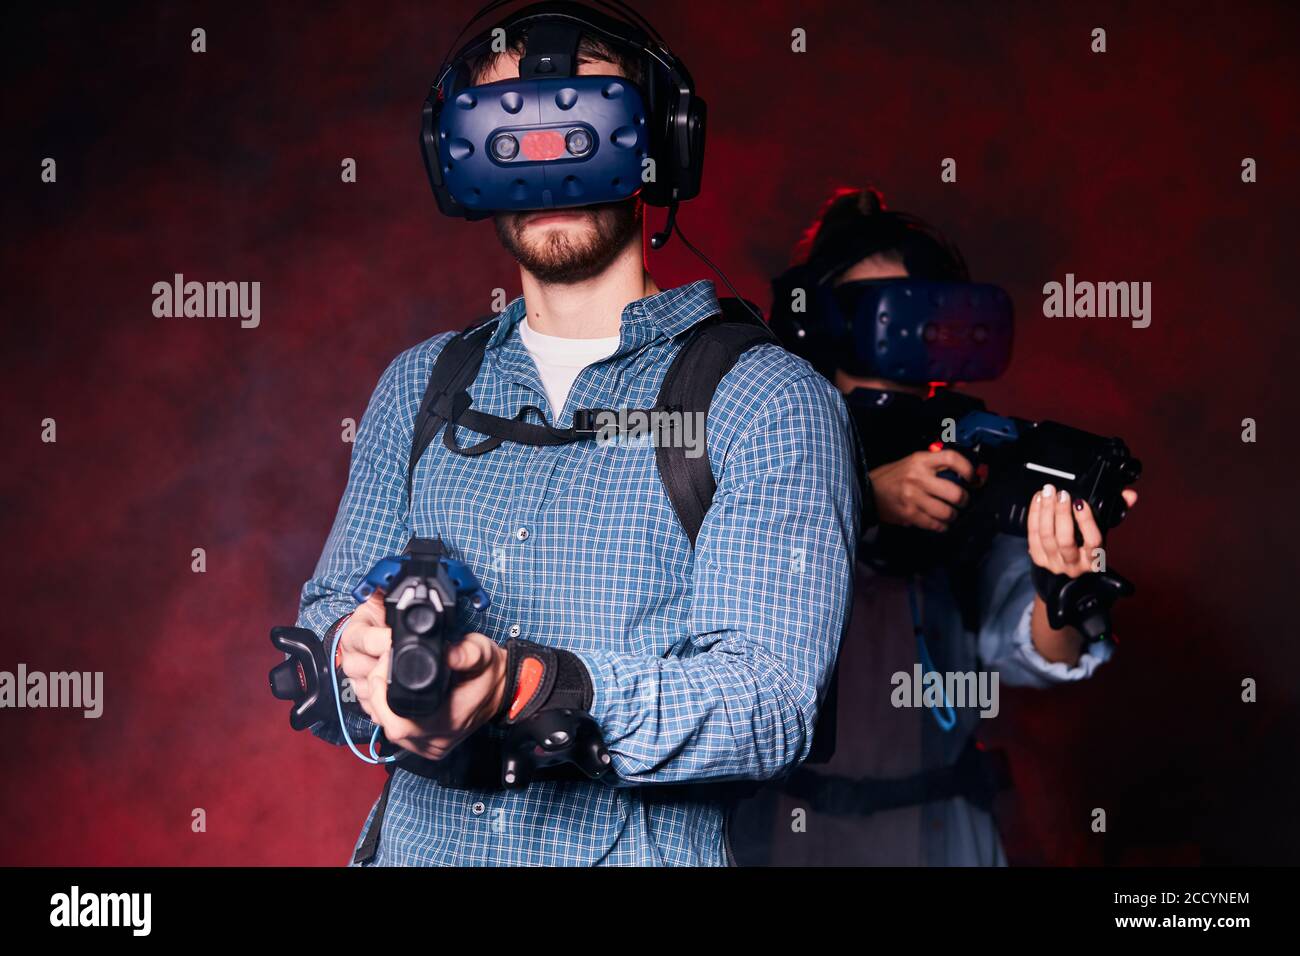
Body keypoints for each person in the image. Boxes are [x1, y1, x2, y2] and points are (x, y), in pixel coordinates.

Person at [292, 2, 859, 867]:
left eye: (582, 129)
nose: (551, 167)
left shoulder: (767, 399)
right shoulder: (421, 384)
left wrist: (530, 687)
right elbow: (328, 614)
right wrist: (358, 658)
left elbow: (770, 702)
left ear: (661, 144)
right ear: (458, 163)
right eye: (510, 141)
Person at [731, 187, 1139, 866]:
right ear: (815, 321)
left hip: (938, 831)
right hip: (784, 824)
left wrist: (1061, 588)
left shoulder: (972, 454)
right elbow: (699, 585)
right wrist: (860, 501)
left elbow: (1033, 650)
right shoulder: (757, 440)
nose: (897, 336)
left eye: (921, 313)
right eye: (872, 313)